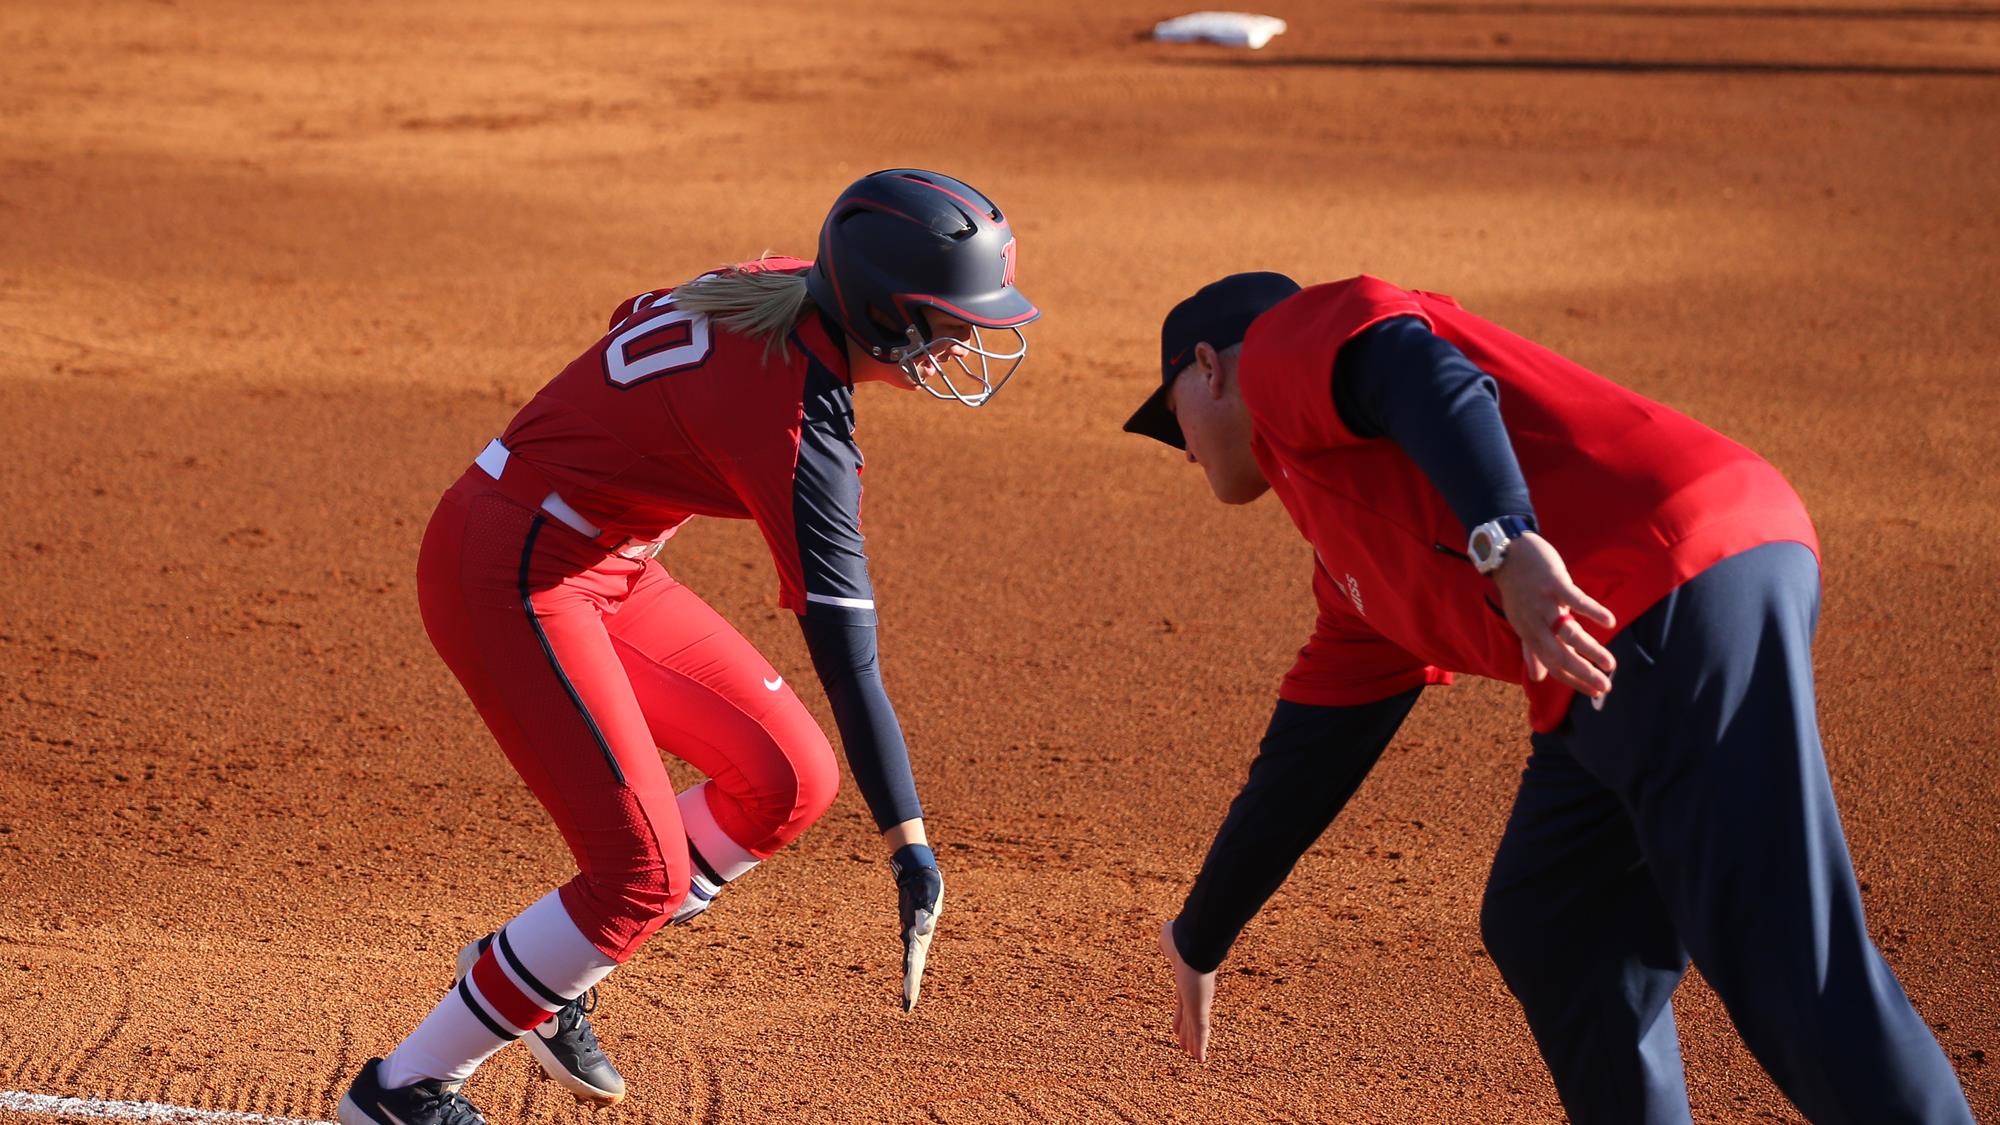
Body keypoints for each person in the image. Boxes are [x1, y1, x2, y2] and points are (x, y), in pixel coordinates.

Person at [1125, 272, 1974, 1124]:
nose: (1188, 451)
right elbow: (1308, 760)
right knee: (1558, 917)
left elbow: (1418, 371)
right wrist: (1201, 934)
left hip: (1667, 573)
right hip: (1616, 655)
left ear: (1210, 366)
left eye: (1174, 418)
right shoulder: (1354, 569)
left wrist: (1506, 540)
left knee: (1784, 953)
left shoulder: (1282, 347)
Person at [336, 169, 1039, 1125]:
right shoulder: (798, 431)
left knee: (788, 778)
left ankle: (550, 967)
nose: (969, 336)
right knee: (643, 877)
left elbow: (634, 323)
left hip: (604, 561)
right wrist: (909, 843)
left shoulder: (789, 285)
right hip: (509, 572)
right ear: (883, 313)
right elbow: (849, 661)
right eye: (954, 316)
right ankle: (407, 1089)